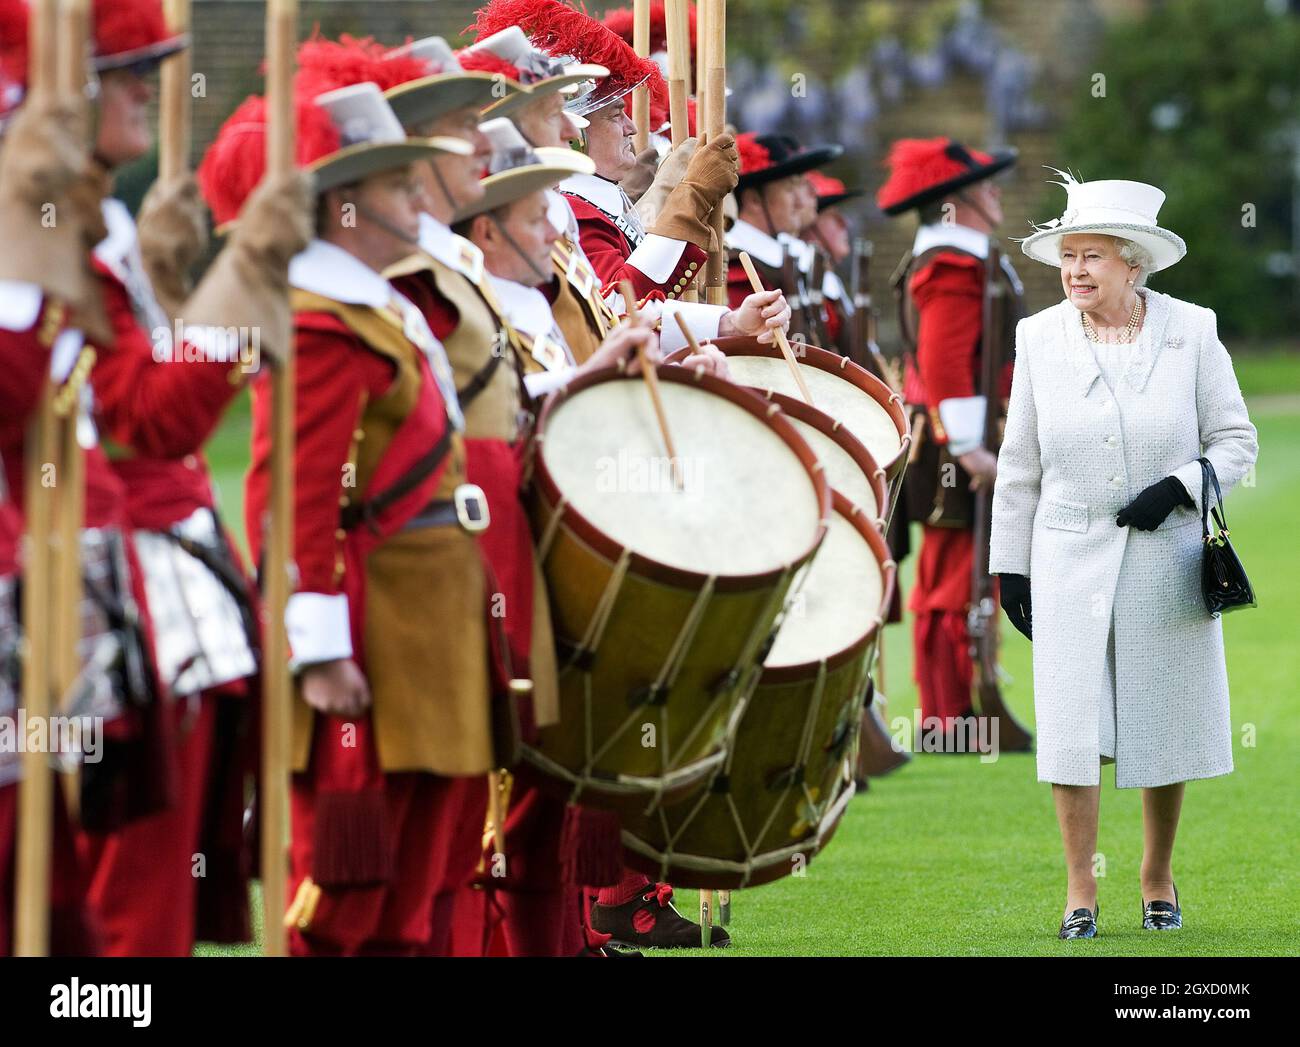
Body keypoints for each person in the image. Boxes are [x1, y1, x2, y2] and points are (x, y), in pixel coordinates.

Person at [201, 78, 475, 956]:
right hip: (368, 631)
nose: (417, 198)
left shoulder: (374, 306)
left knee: (419, 892)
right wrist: (318, 647)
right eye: (398, 186)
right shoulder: (320, 323)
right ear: (346, 207)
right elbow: (294, 493)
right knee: (346, 898)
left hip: (425, 625)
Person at [990, 172, 1258, 939]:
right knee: (1073, 728)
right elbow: (1020, 464)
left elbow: (1235, 441)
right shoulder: (1037, 337)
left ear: (1132, 264)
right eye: (1068, 256)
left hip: (1164, 557)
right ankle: (1081, 890)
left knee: (1160, 717)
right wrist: (1011, 565)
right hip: (1066, 550)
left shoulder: (1192, 330)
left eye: (1092, 257)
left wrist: (1179, 487)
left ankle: (1155, 876)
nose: (1075, 270)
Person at [876, 136, 1021, 739]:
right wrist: (969, 448)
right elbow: (944, 364)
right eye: (982, 187)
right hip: (952, 443)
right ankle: (946, 715)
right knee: (949, 577)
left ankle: (960, 706)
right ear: (953, 205)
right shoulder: (952, 267)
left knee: (965, 572)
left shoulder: (962, 259)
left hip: (957, 438)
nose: (994, 194)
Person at [727, 132, 842, 344]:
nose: (800, 201)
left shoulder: (780, 259)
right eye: (789, 188)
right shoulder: (736, 269)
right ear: (753, 200)